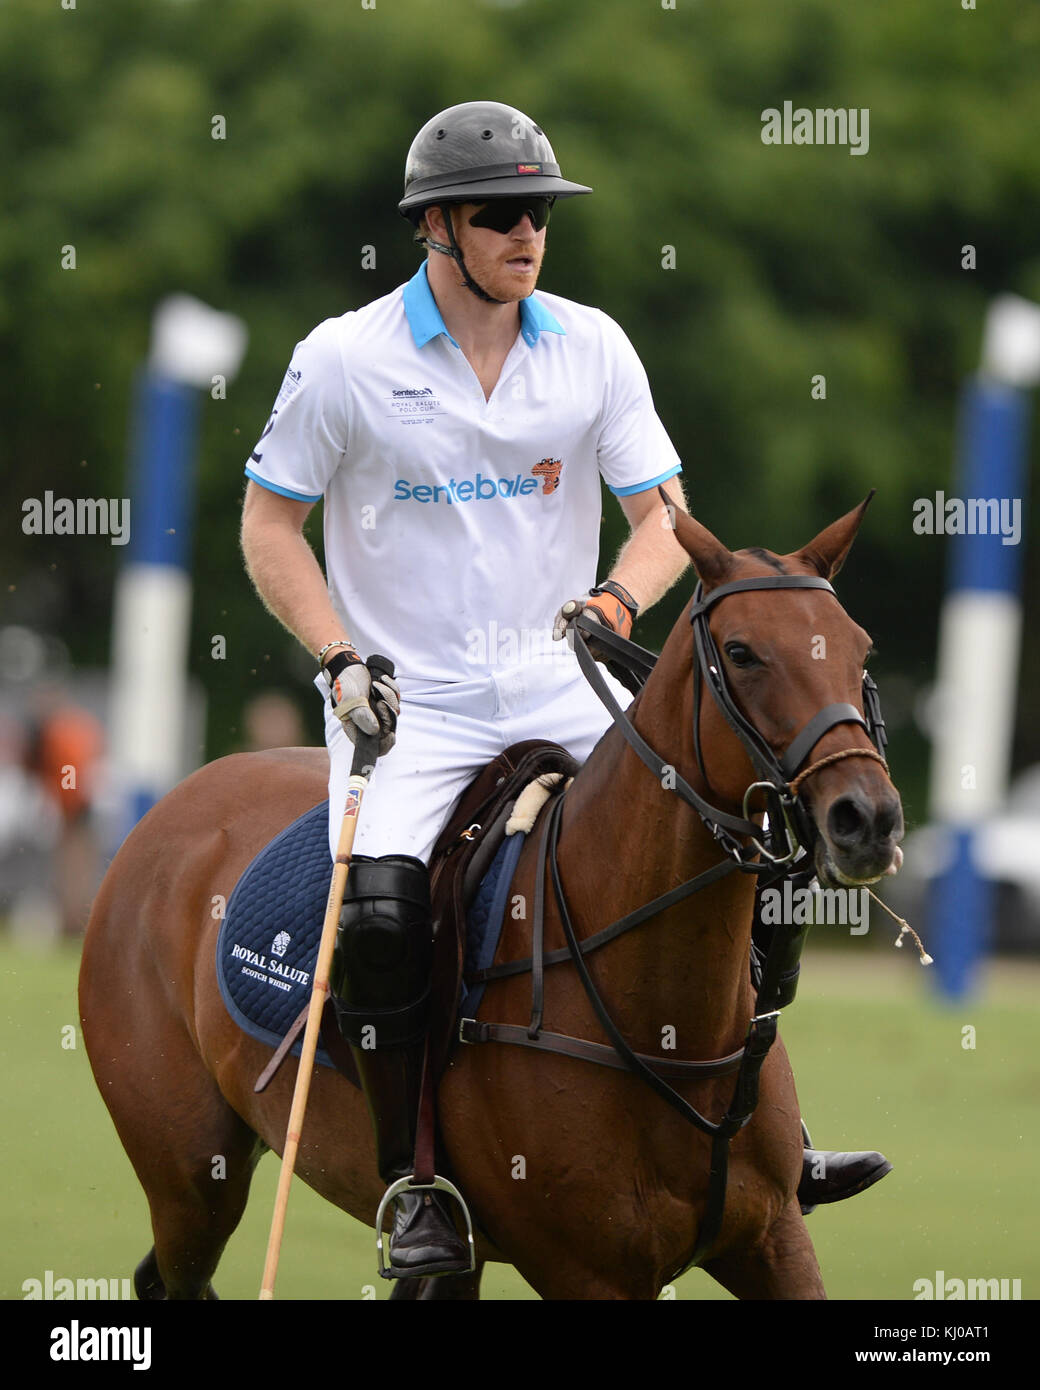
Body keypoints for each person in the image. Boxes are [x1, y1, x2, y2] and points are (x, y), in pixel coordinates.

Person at [240, 100, 889, 1280]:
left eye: (539, 212)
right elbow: (269, 525)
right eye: (500, 214)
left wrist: (615, 603)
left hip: (562, 684)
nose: (527, 232)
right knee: (382, 917)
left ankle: (765, 1135)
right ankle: (415, 1186)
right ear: (436, 226)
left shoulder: (591, 346)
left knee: (749, 834)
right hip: (409, 707)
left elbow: (662, 517)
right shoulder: (342, 359)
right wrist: (338, 657)